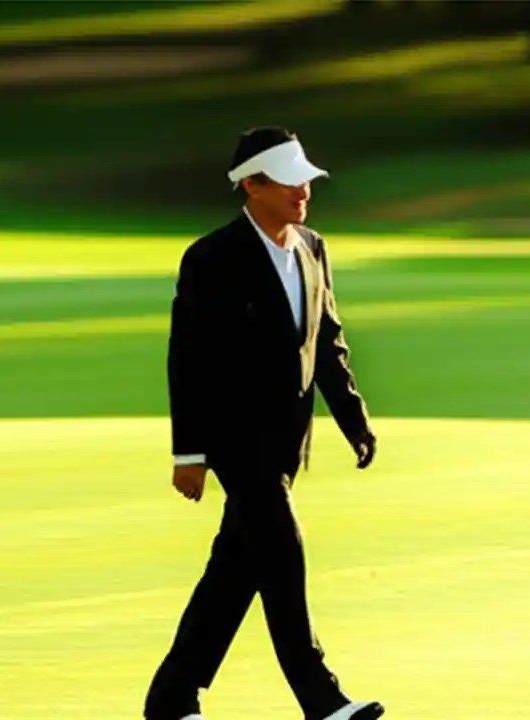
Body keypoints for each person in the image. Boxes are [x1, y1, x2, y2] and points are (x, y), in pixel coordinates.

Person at [144, 126, 384, 720]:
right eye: (288, 179)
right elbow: (189, 358)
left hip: (286, 443)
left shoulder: (313, 247)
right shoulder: (211, 258)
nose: (303, 189)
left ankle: (172, 697)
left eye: (304, 178)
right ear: (252, 185)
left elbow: (327, 342)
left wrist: (354, 420)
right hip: (233, 441)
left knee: (235, 571)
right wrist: (189, 453)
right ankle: (321, 700)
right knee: (281, 553)